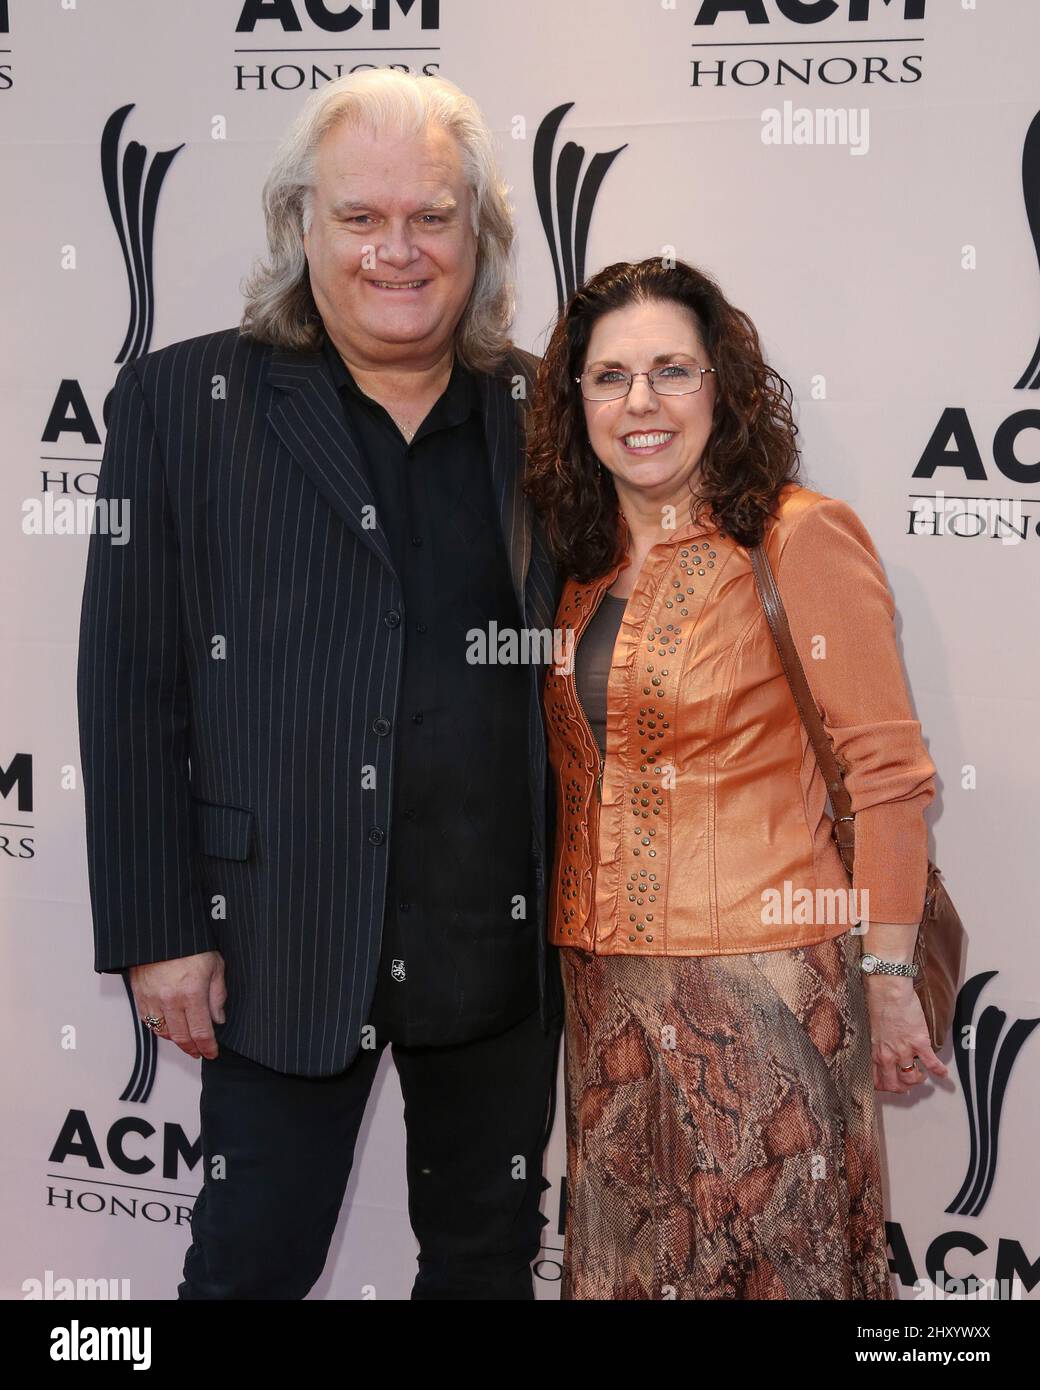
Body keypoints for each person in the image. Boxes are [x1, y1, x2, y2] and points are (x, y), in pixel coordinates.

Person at [77, 69, 562, 1301]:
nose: (397, 251)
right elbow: (128, 685)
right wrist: (158, 931)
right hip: (275, 942)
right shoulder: (181, 401)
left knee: (484, 1269)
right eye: (361, 218)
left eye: (432, 217)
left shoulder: (544, 410)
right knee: (245, 1271)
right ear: (302, 225)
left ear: (480, 236)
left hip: (497, 949)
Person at [525, 256, 945, 1300]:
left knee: (773, 1272)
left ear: (721, 384)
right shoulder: (576, 565)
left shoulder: (794, 537)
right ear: (575, 401)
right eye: (609, 376)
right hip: (606, 996)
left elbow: (886, 775)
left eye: (672, 370)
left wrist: (888, 981)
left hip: (766, 997)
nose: (640, 403)